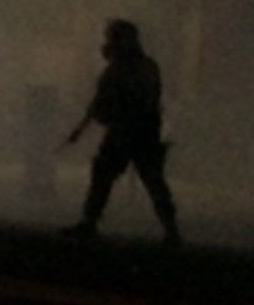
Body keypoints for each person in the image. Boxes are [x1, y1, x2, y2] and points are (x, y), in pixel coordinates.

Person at [62, 19, 180, 246]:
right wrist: (81, 128)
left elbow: (136, 101)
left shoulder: (137, 68)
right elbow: (99, 104)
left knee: (149, 181)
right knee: (107, 175)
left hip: (136, 132)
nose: (107, 45)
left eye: (112, 39)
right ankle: (90, 222)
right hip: (129, 132)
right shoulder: (128, 68)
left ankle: (171, 229)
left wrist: (86, 126)